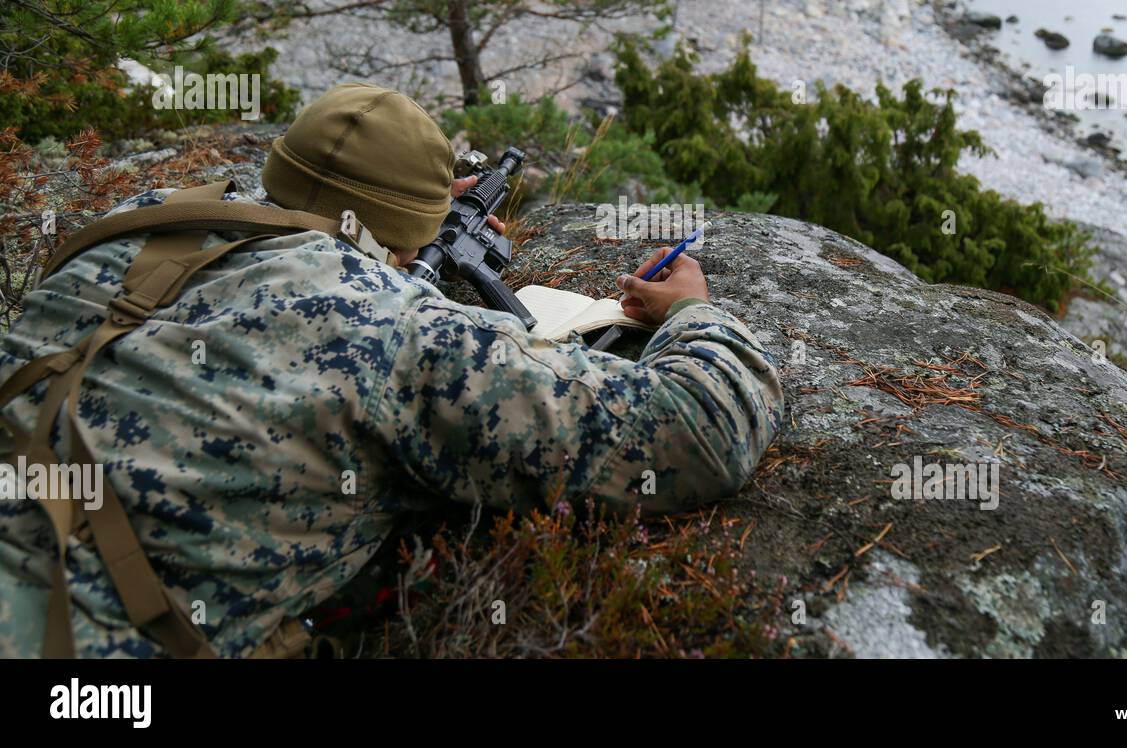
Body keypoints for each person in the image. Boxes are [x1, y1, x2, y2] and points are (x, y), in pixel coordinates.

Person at [0, 83, 784, 658]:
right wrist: (693, 312)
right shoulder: (399, 334)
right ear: (404, 238)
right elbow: (702, 432)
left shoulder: (127, 224)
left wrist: (400, 226)